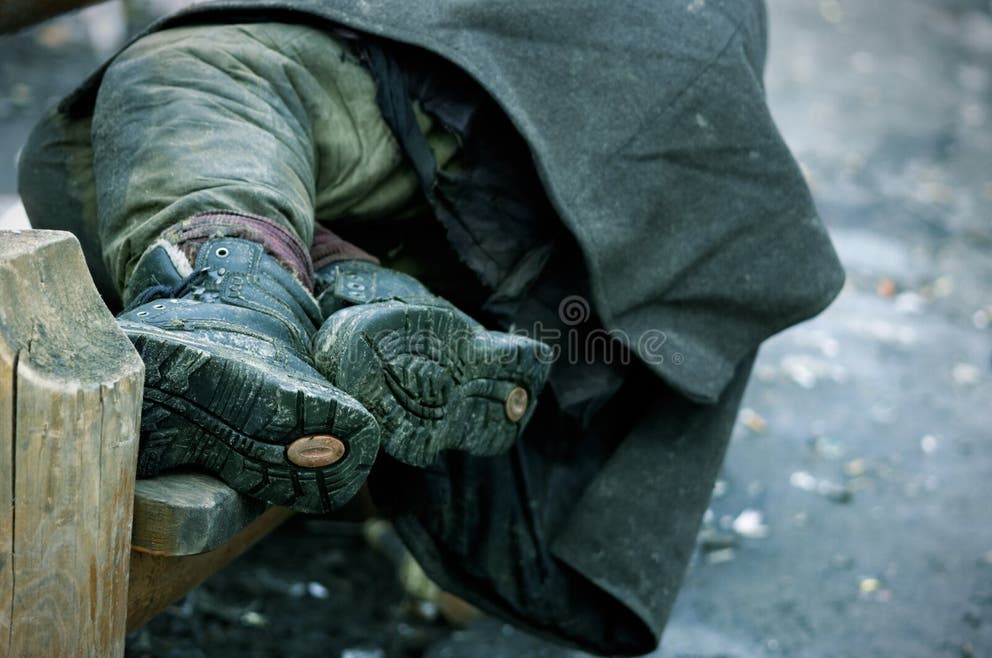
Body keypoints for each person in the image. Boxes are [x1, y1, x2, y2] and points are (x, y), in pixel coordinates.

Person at [18, 1, 845, 654]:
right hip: (666, 132)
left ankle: (234, 303)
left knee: (177, 85)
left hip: (538, 68)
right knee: (155, 162)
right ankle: (357, 291)